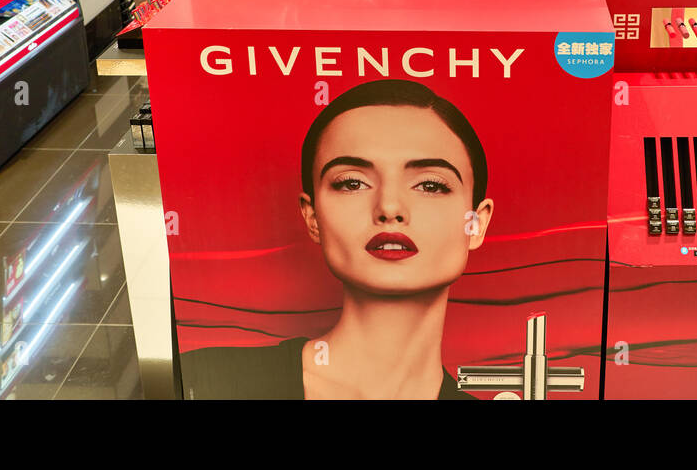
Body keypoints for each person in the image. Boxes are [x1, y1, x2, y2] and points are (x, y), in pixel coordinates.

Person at [180, 79, 493, 399]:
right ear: (312, 217)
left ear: (476, 223)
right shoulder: (209, 380)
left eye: (430, 185)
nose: (389, 207)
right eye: (352, 183)